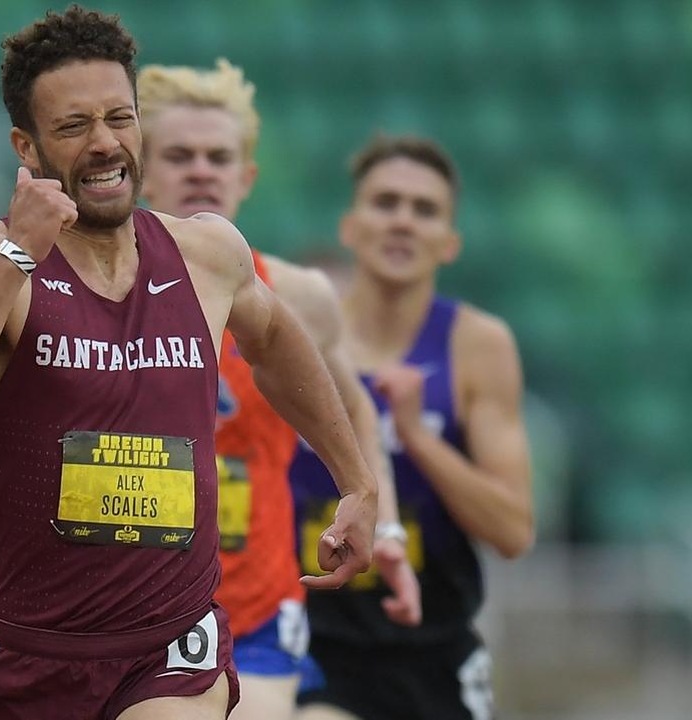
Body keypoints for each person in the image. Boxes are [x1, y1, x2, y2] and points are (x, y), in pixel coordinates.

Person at [0, 7, 379, 720]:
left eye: (120, 117)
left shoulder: (208, 255)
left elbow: (276, 343)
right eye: (73, 126)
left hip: (171, 652)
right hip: (32, 658)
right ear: (27, 147)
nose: (105, 144)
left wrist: (355, 481)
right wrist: (16, 257)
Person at [135, 59, 421, 720]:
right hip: (124, 606)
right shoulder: (93, 294)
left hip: (255, 609)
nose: (201, 170)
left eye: (218, 156)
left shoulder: (298, 296)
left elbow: (351, 402)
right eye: (179, 155)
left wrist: (387, 530)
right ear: (142, 170)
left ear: (247, 176)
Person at [289, 134, 534, 720]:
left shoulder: (477, 346)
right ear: (350, 227)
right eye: (385, 202)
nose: (402, 221)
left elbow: (513, 531)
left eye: (424, 210)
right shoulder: (296, 336)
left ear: (449, 243)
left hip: (434, 644)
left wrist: (418, 438)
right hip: (312, 642)